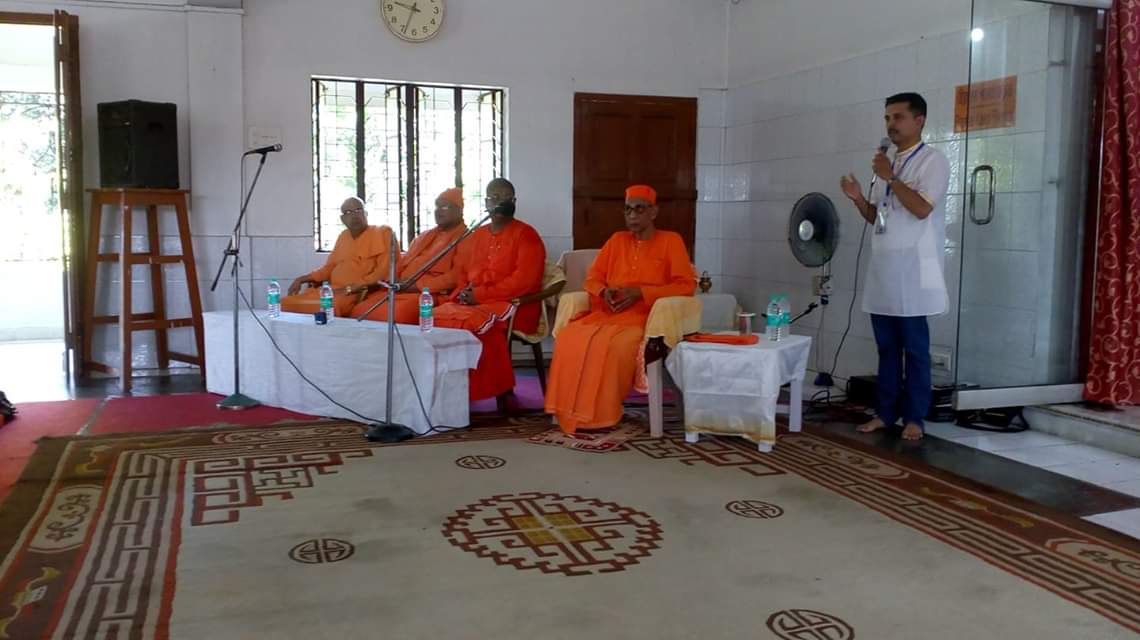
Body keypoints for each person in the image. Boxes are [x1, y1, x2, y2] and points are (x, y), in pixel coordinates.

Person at [839, 92, 950, 441]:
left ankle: (915, 417)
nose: (891, 124)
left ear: (919, 121)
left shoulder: (933, 161)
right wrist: (858, 198)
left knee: (915, 350)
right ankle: (885, 412)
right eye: (888, 118)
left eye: (899, 117)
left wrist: (890, 178)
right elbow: (879, 219)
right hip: (885, 272)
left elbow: (921, 209)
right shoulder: (890, 164)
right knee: (886, 349)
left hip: (915, 271)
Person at [544, 184, 695, 433]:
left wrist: (641, 293)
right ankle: (567, 410)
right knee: (570, 337)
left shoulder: (670, 241)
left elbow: (685, 285)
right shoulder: (616, 241)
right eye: (628, 210)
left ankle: (600, 415)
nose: (633, 215)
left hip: (643, 317)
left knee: (615, 345)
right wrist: (605, 292)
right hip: (606, 312)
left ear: (653, 212)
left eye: (639, 209)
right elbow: (592, 279)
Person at [433, 178, 546, 401]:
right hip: (477, 301)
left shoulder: (527, 235)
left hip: (516, 306)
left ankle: (478, 392)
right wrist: (464, 294)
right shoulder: (478, 235)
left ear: (514, 202)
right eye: (494, 198)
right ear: (486, 202)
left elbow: (524, 282)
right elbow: (464, 272)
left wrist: (480, 295)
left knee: (477, 326)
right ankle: (449, 386)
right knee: (437, 318)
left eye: (505, 198)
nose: (499, 202)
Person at [351, 188, 468, 323]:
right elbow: (403, 263)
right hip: (400, 289)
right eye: (437, 206)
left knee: (395, 314)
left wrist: (416, 286)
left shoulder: (466, 238)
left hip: (428, 294)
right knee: (359, 310)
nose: (438, 210)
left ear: (459, 210)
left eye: (445, 206)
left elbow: (456, 277)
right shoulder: (424, 236)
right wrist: (392, 279)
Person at [281, 196, 398, 317]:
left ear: (366, 213)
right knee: (284, 303)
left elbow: (384, 272)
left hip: (355, 293)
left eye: (358, 210)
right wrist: (301, 279)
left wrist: (348, 289)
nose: (354, 215)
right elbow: (328, 268)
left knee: (327, 306)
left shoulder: (383, 233)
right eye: (348, 212)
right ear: (343, 219)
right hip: (332, 290)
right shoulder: (343, 237)